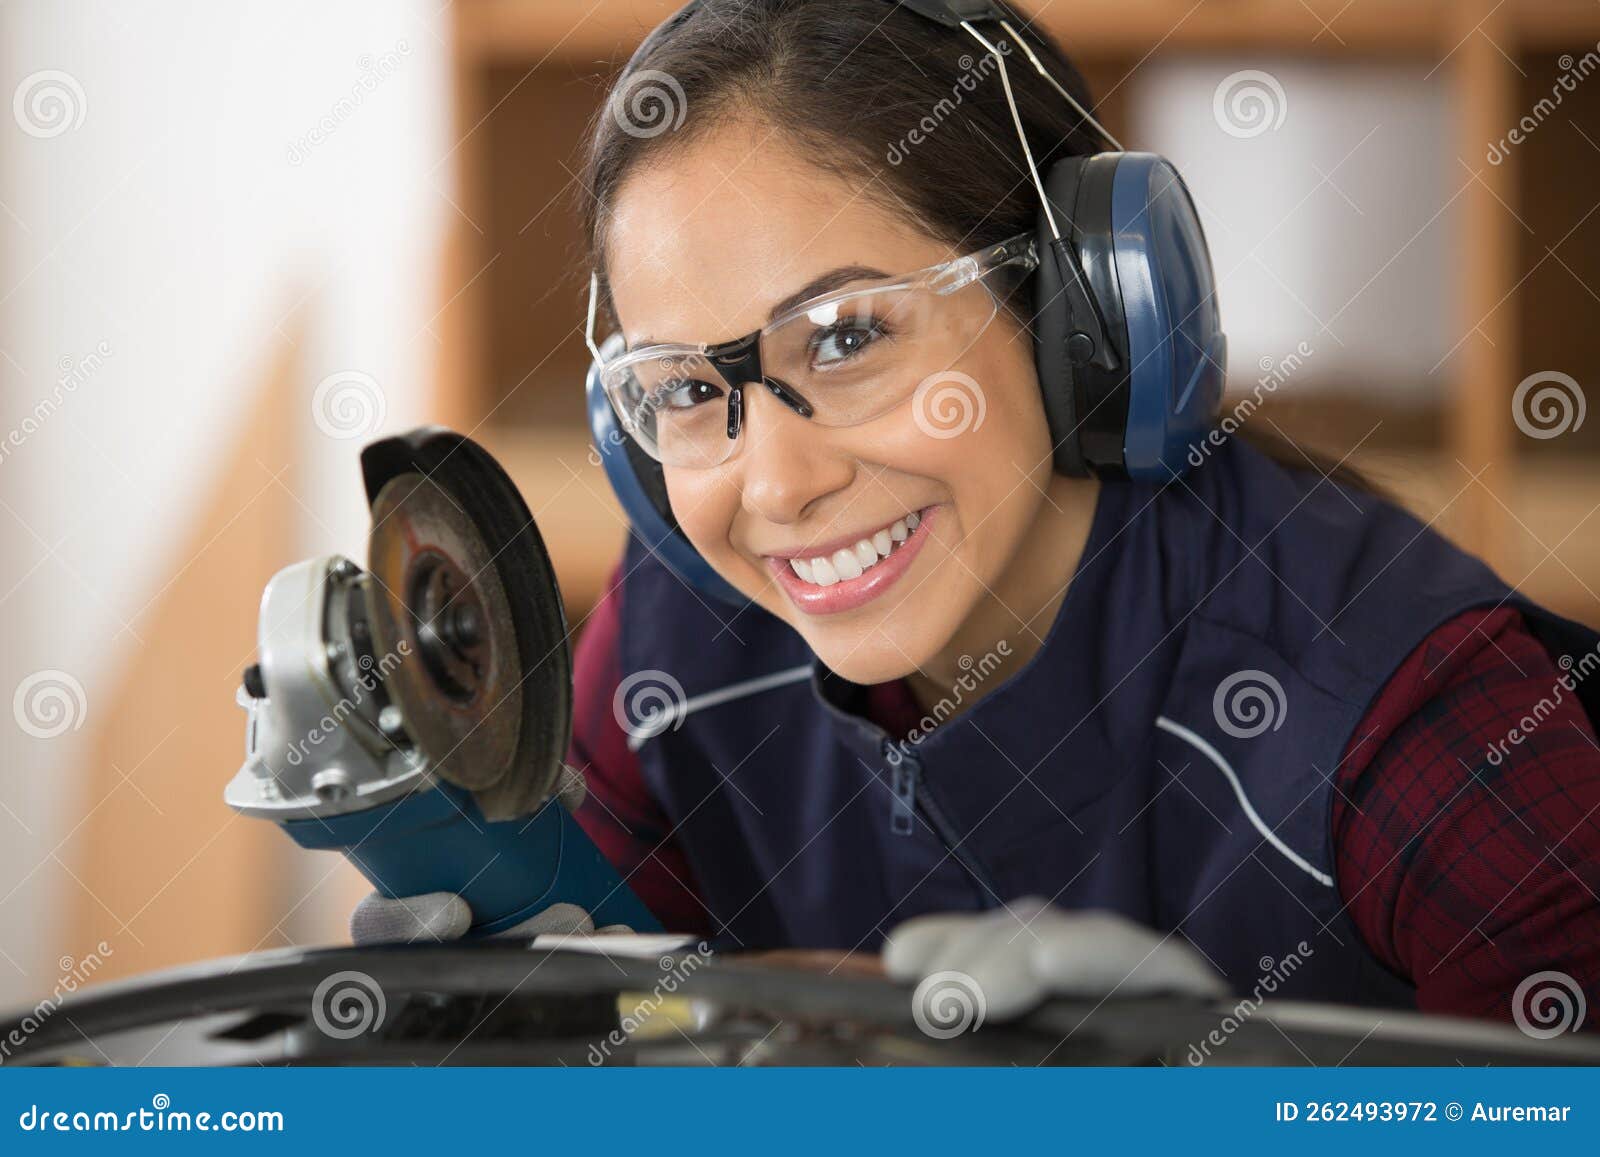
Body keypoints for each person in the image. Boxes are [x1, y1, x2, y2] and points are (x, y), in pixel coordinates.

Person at [354, 0, 1600, 1032]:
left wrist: (1253, 1096)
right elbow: (649, 1021)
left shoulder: (1418, 710)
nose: (777, 485)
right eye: (683, 390)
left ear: (1087, 312)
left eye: (847, 337)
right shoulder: (669, 647)